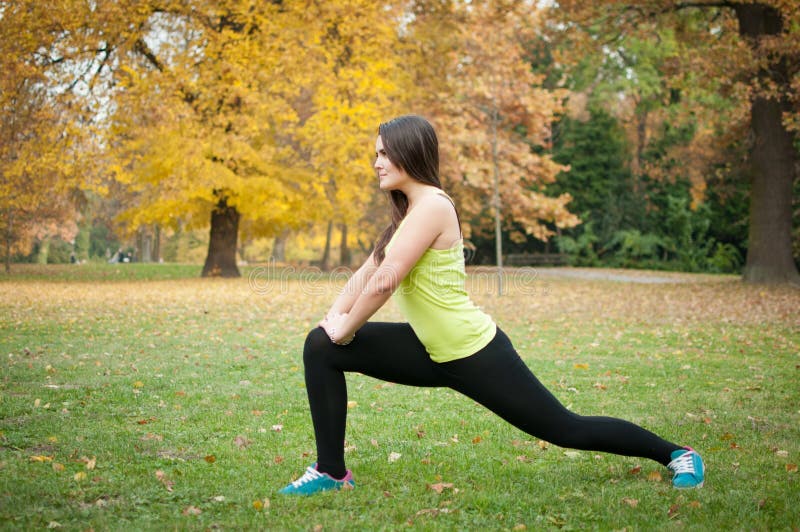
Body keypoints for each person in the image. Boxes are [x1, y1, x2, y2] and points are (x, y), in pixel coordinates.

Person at [278, 115, 705, 496]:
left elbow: (387, 280)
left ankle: (677, 454)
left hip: (472, 352)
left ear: (411, 152)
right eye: (376, 154)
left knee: (563, 427)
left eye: (385, 153)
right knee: (320, 346)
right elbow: (367, 273)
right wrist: (333, 318)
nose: (377, 162)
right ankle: (331, 472)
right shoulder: (407, 212)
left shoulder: (432, 206)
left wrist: (349, 327)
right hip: (429, 349)